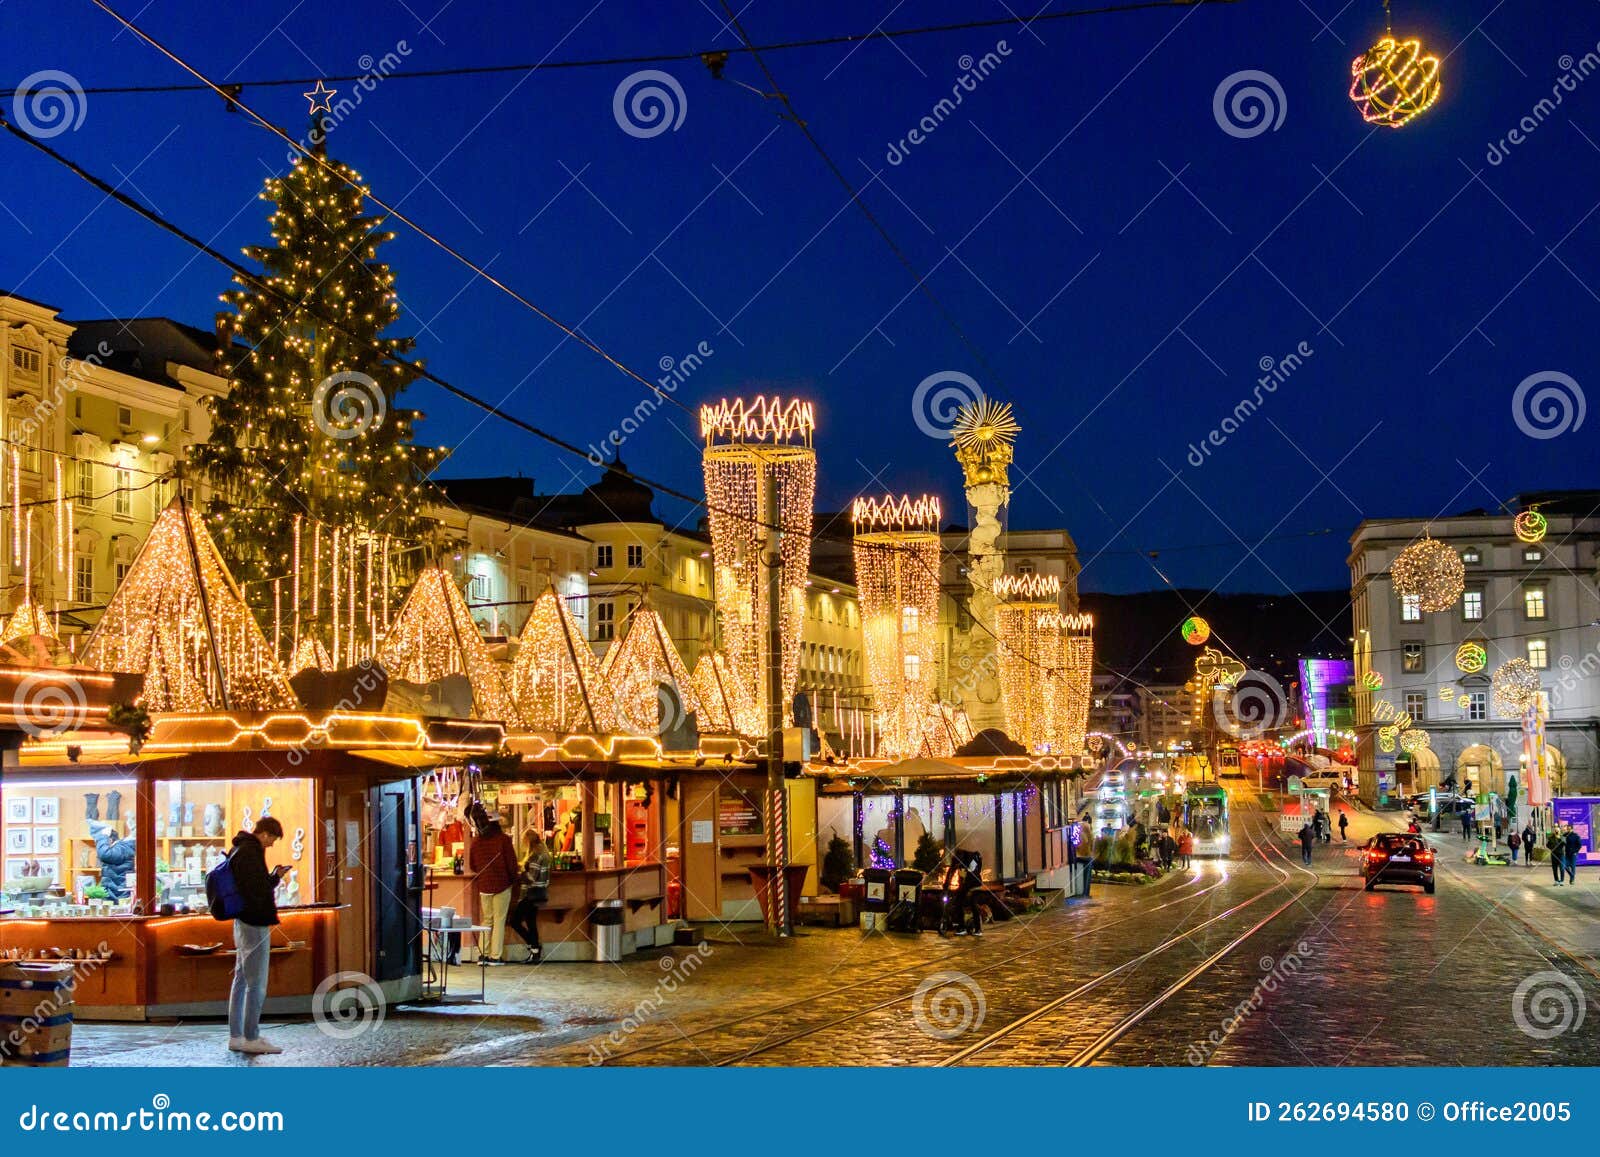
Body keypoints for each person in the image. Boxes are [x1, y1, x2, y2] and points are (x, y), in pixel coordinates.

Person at [228, 817, 288, 1055]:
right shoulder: (251, 853)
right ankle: (251, 1036)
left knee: (241, 980)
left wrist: (273, 877)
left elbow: (251, 887)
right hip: (254, 922)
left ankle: (236, 1035)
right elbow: (257, 890)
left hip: (241, 921)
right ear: (264, 834)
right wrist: (274, 879)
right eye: (272, 839)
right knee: (257, 984)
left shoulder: (238, 848)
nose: (272, 844)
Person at [469, 814, 519, 964]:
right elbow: (511, 864)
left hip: (484, 885)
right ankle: (495, 956)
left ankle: (482, 954)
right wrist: (513, 879)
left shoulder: (476, 842)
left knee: (487, 920)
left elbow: (472, 865)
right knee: (499, 920)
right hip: (502, 885)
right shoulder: (503, 840)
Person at [506, 830, 552, 963]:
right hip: (540, 893)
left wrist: (520, 874)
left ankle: (535, 946)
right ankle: (535, 953)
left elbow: (531, 877)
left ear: (528, 841)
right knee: (531, 923)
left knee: (515, 921)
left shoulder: (535, 856)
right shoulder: (544, 854)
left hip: (530, 894)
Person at [89, 821, 136, 902]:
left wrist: (102, 837)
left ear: (109, 840)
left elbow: (104, 854)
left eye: (101, 844)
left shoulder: (121, 848)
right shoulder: (121, 848)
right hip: (116, 893)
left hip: (119, 895)